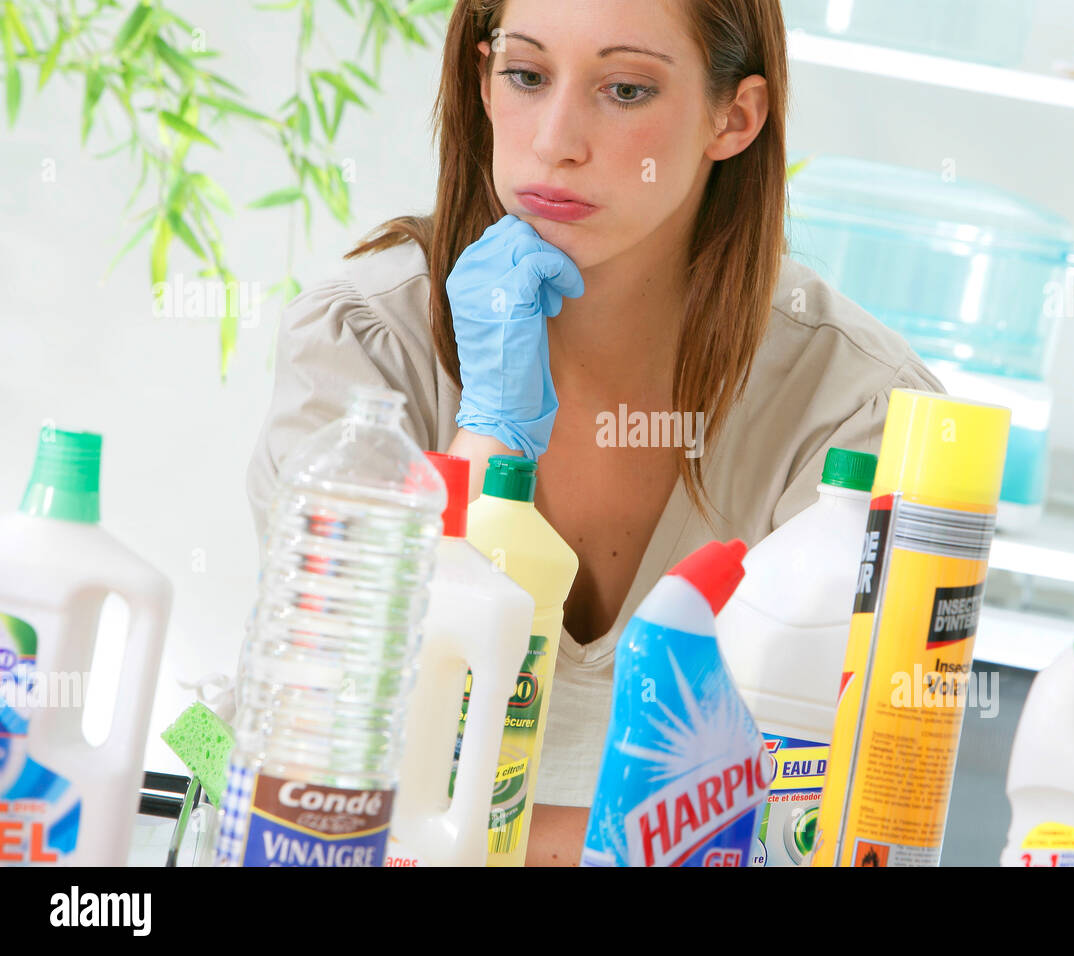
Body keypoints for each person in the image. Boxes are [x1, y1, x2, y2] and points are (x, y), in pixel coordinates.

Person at [245, 0, 944, 865]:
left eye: (624, 89)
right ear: (482, 81)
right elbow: (333, 767)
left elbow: (816, 829)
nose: (554, 140)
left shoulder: (859, 413)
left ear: (735, 117)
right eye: (527, 76)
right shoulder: (363, 345)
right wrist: (487, 439)